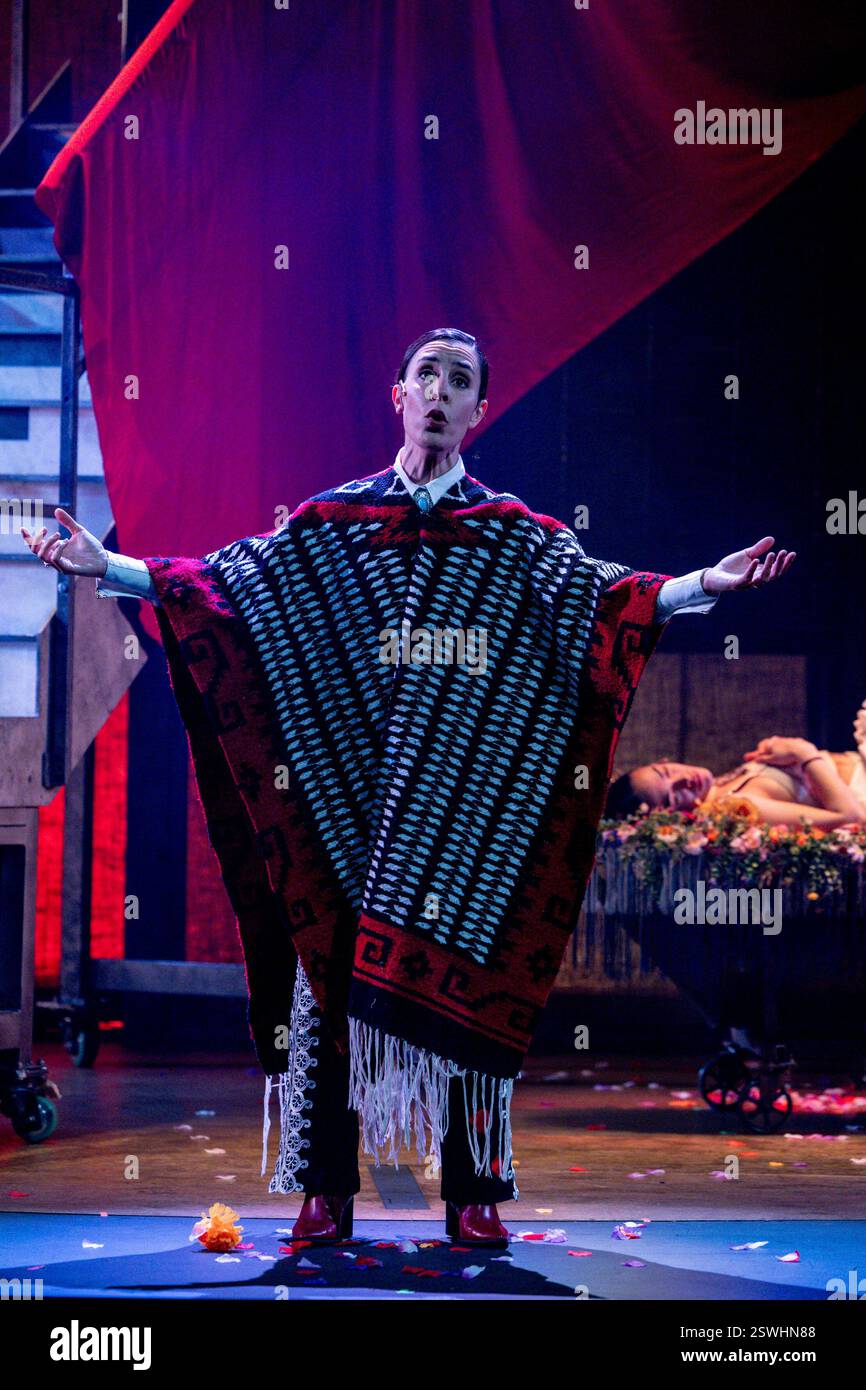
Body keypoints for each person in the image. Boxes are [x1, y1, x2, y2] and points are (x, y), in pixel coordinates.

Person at [21, 327, 795, 1245]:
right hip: (347, 804)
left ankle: (474, 1194)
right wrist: (102, 567)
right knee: (330, 978)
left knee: (476, 971)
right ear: (398, 393)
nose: (439, 391)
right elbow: (227, 586)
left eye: (458, 380)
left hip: (463, 816)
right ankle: (326, 1190)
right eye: (425, 374)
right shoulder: (332, 524)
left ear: (477, 409)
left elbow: (604, 599)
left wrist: (706, 581)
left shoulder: (512, 536)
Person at [606, 729, 866, 827]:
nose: (682, 780)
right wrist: (802, 751)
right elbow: (849, 818)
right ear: (669, 816)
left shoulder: (722, 786)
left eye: (666, 773)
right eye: (672, 794)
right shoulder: (737, 808)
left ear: (663, 761)